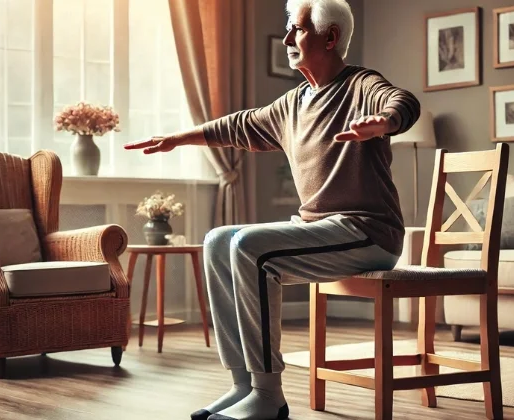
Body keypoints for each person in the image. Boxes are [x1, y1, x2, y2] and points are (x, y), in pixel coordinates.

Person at [125, 0, 420, 418]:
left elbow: (402, 101)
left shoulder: (361, 85)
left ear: (330, 37)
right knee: (217, 240)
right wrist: (177, 138)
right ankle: (242, 385)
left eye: (296, 29)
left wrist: (384, 122)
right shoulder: (293, 104)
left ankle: (269, 395)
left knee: (249, 246)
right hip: (320, 230)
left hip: (369, 231)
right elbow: (237, 126)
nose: (285, 39)